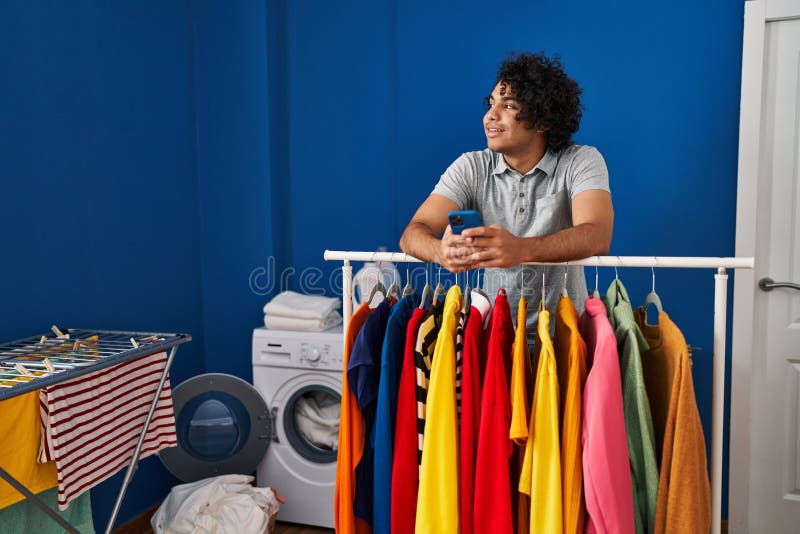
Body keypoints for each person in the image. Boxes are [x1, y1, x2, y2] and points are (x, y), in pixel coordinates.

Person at [399, 52, 613, 334]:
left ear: (542, 120)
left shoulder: (581, 160)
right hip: (492, 340)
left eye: (508, 105)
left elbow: (598, 235)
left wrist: (521, 249)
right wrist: (442, 252)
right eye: (491, 103)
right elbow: (412, 234)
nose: (490, 115)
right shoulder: (471, 166)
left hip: (565, 339)